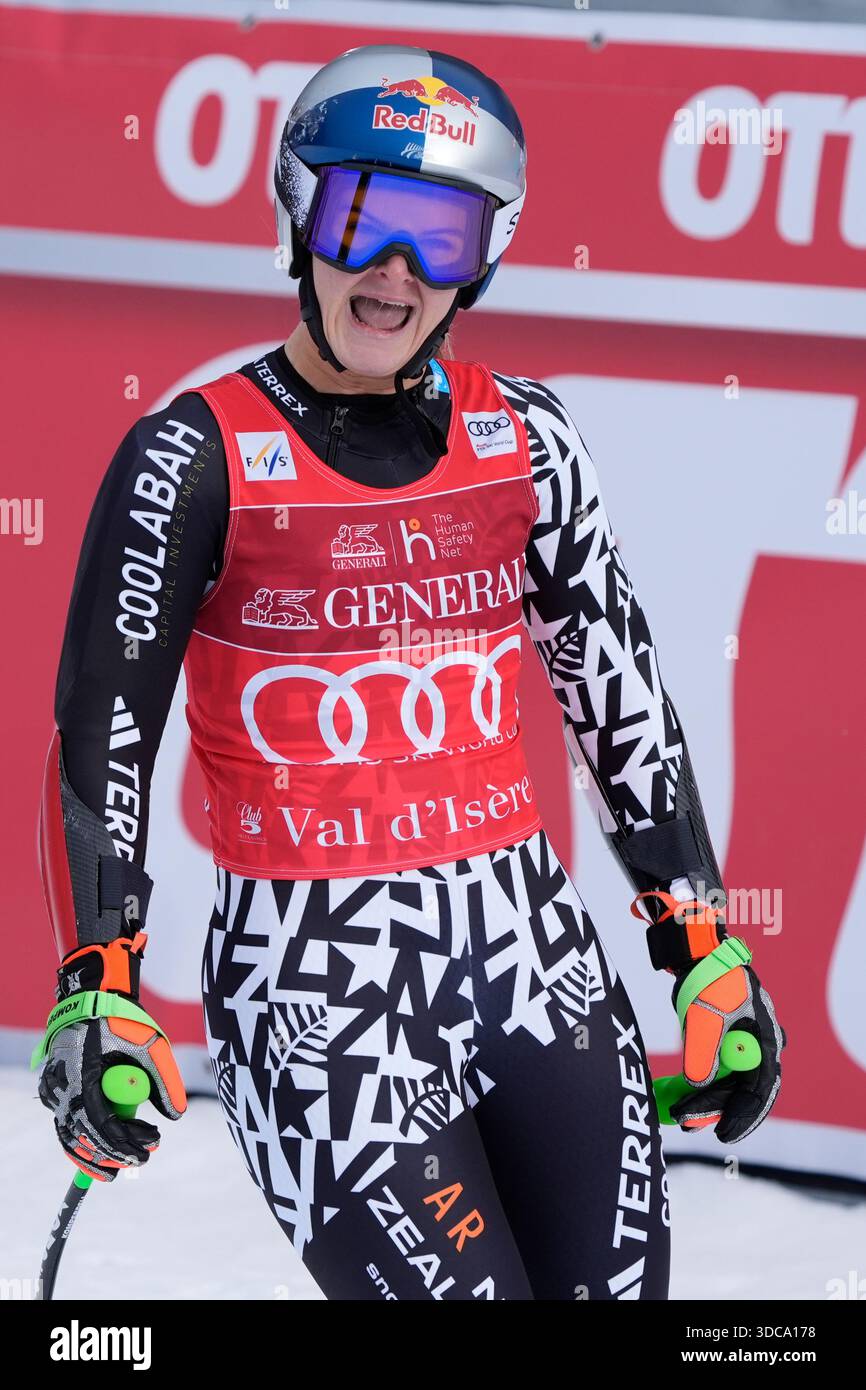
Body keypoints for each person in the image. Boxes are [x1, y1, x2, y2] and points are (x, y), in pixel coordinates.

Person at [33, 45, 784, 1301]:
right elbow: (100, 726)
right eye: (365, 220)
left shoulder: (525, 438)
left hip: (528, 954)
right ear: (298, 213)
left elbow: (619, 694)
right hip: (316, 990)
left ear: (484, 254)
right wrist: (97, 985)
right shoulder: (194, 452)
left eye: (440, 233)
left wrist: (700, 943)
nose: (396, 272)